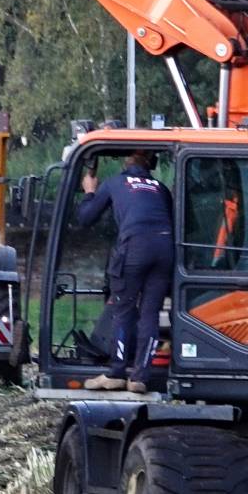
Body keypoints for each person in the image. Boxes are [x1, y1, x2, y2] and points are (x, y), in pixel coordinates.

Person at [74, 151, 173, 393]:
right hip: (165, 248)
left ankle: (116, 372)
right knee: (150, 312)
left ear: (126, 162)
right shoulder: (160, 188)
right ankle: (139, 377)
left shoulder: (116, 182)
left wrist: (89, 190)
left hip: (135, 247)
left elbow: (85, 218)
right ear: (151, 164)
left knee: (124, 308)